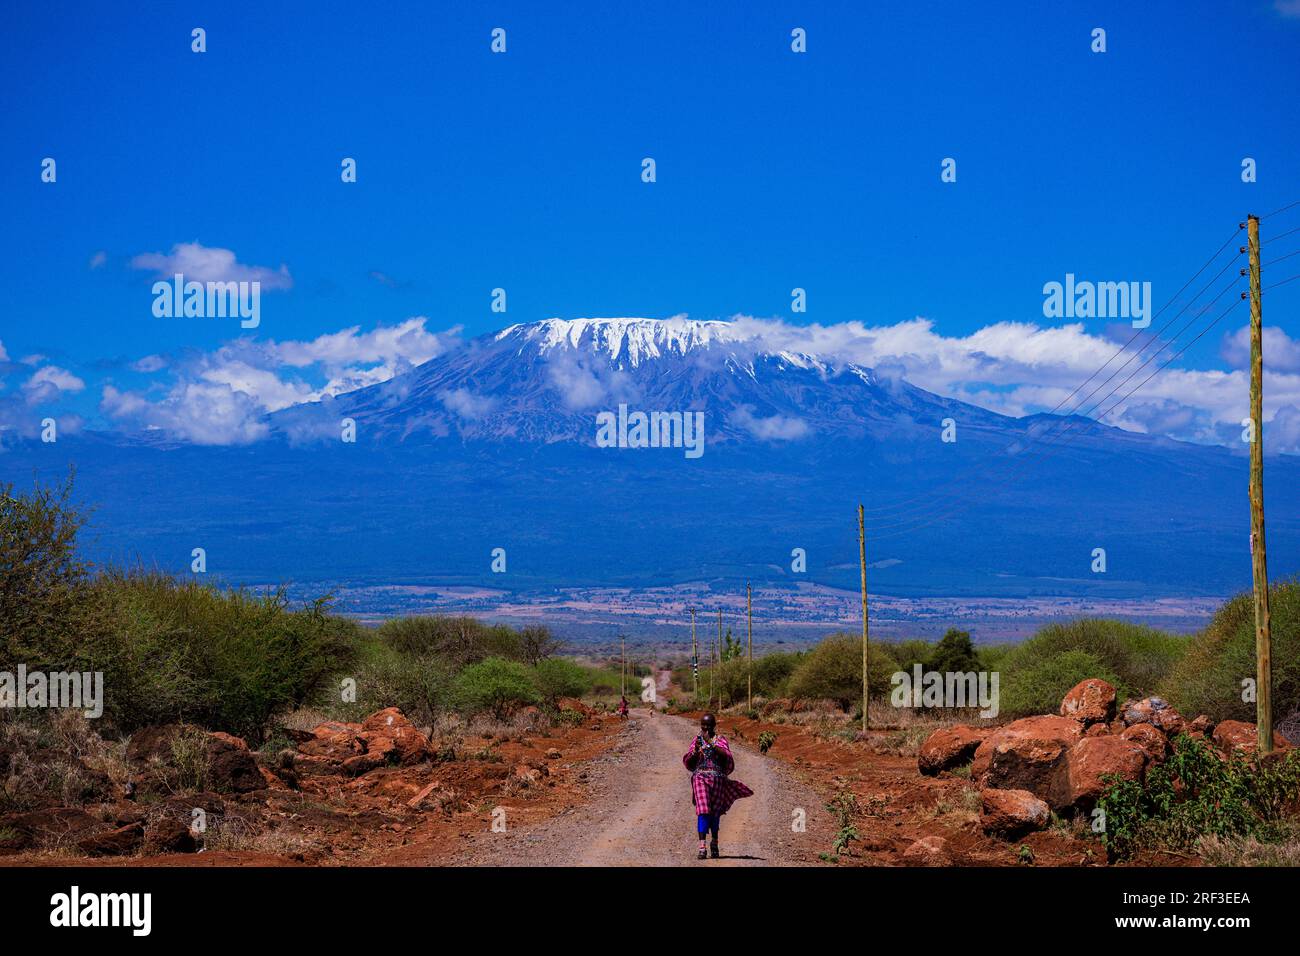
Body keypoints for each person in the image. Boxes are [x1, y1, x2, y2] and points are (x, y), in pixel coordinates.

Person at [682, 713, 753, 859]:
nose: (705, 728)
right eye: (703, 725)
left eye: (708, 725)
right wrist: (695, 751)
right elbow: (689, 760)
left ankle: (714, 842)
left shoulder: (720, 740)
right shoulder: (697, 740)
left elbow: (726, 757)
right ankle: (702, 847)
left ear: (714, 726)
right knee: (702, 810)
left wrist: (711, 744)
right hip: (700, 777)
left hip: (718, 779)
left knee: (715, 812)